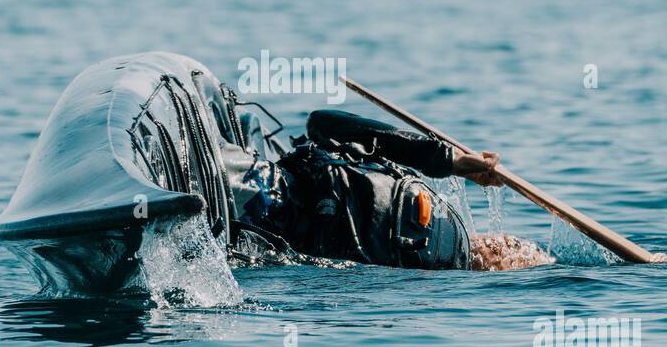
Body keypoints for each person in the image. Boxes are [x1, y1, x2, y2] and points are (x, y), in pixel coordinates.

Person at [229, 109, 548, 270]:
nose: (497, 240)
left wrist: (447, 159)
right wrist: (447, 159)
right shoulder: (426, 252)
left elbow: (321, 122)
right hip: (252, 218)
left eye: (502, 244)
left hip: (255, 188)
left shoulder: (432, 237)